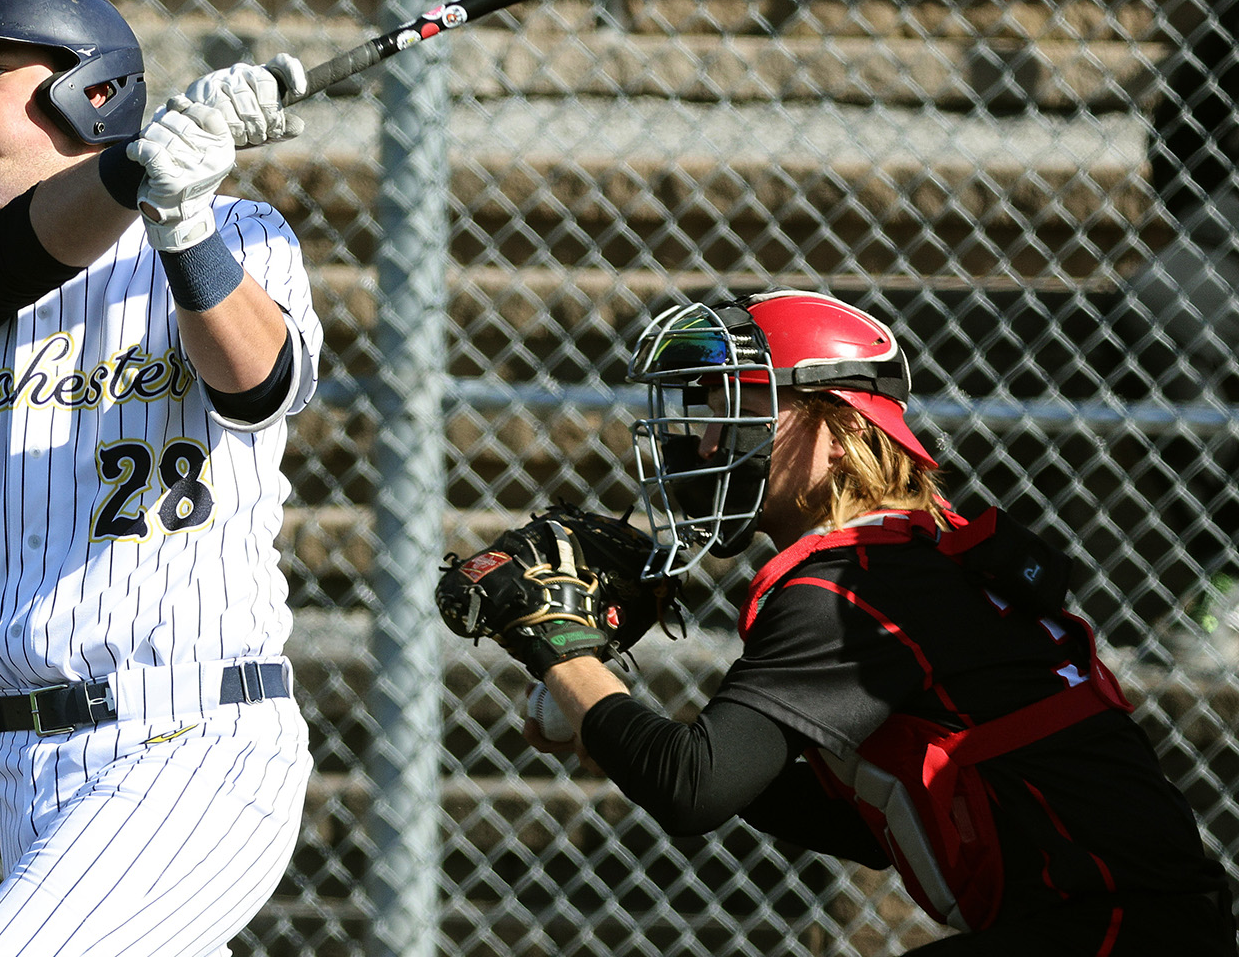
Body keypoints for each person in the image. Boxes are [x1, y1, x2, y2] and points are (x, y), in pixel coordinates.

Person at [526, 290, 1237, 954]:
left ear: (837, 430)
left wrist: (560, 646)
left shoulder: (852, 584)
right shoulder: (905, 553)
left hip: (1112, 927)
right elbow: (864, 820)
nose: (709, 443)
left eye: (741, 409)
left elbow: (694, 789)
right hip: (1128, 921)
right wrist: (616, 731)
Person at [0, 0, 322, 956]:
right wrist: (135, 173)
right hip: (27, 766)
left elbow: (258, 384)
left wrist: (184, 218)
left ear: (95, 90)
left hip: (198, 742)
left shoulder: (242, 232)